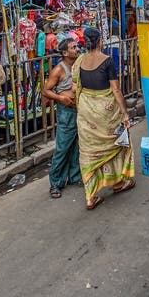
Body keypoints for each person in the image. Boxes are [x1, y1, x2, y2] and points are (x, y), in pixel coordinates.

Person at [71, 27, 135, 210]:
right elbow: (115, 89)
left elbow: (75, 89)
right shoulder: (107, 61)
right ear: (100, 41)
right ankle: (117, 183)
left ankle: (90, 197)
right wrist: (124, 113)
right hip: (106, 112)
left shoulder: (79, 61)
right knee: (117, 145)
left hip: (86, 112)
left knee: (89, 152)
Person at [42, 37, 82, 198]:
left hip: (78, 111)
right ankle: (56, 183)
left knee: (76, 146)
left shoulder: (79, 65)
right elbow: (46, 91)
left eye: (77, 46)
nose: (77, 49)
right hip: (66, 112)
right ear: (65, 52)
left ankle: (75, 176)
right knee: (63, 147)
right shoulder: (59, 69)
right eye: (73, 47)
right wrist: (61, 99)